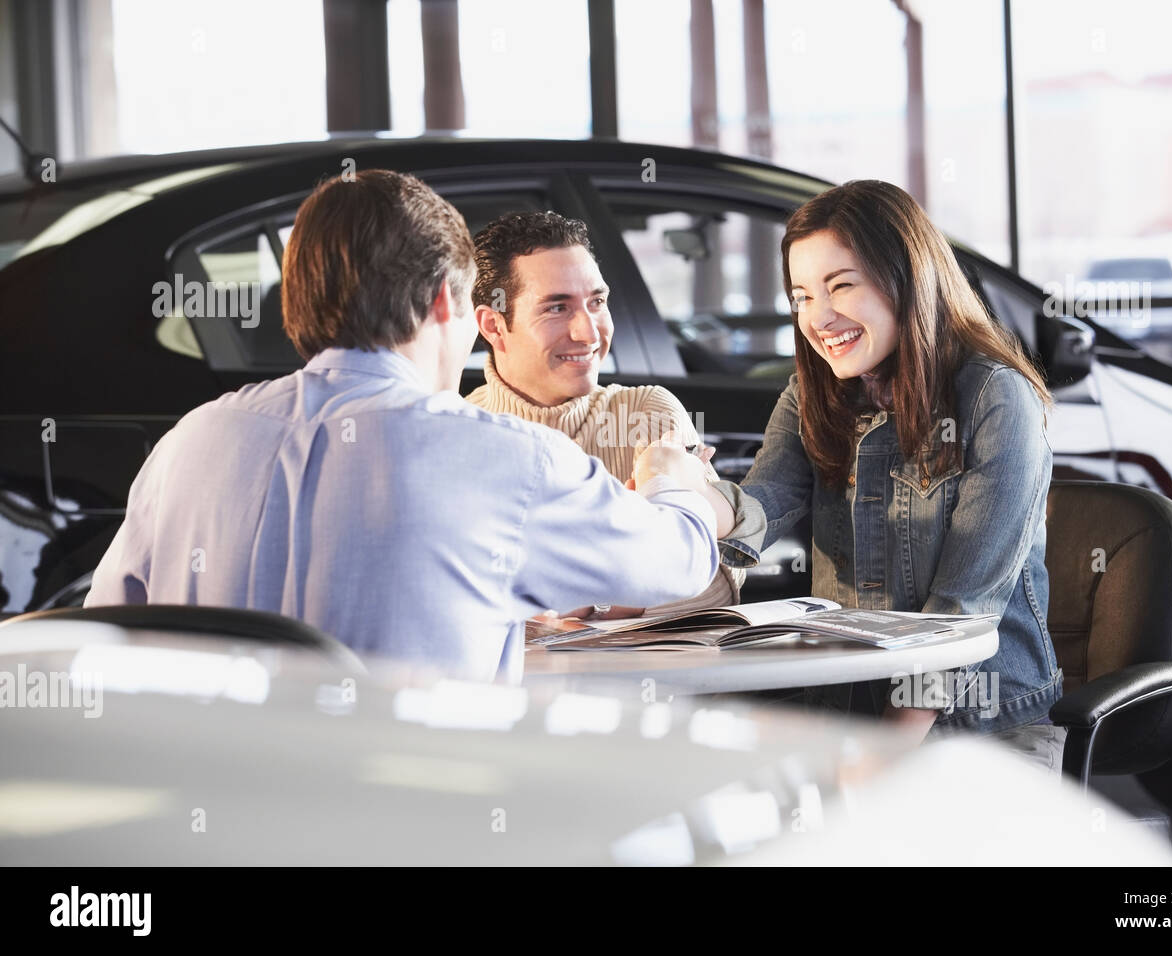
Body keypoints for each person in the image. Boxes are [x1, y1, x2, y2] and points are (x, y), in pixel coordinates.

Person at [85, 170, 729, 681]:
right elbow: (680, 561)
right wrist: (673, 482)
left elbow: (104, 638)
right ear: (451, 302)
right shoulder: (501, 457)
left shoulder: (187, 445)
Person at [717, 180, 1064, 762]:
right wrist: (692, 500)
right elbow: (762, 503)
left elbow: (961, 614)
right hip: (848, 710)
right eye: (801, 296)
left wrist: (883, 754)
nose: (818, 317)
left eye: (841, 286)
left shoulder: (995, 398)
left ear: (907, 277)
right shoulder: (811, 395)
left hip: (982, 727)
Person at [465, 211, 751, 618]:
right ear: (493, 326)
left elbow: (713, 590)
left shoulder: (646, 413)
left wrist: (576, 605)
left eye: (597, 302)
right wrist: (629, 569)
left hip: (643, 681)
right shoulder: (457, 430)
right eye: (557, 308)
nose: (589, 332)